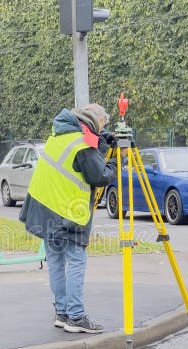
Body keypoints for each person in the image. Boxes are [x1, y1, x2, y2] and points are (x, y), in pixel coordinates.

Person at [19, 104, 119, 333]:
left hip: (44, 209)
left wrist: (101, 141)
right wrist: (116, 160)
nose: (104, 127)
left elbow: (80, 161)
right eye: (103, 124)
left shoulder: (59, 135)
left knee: (54, 261)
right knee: (76, 261)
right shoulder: (82, 145)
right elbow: (99, 175)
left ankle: (62, 313)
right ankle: (76, 317)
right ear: (95, 121)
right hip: (67, 213)